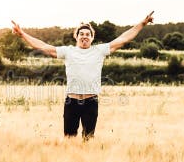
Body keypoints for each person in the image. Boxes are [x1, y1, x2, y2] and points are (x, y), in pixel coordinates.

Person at [11, 11, 154, 139]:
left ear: (92, 38)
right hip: (71, 102)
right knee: (69, 139)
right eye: (81, 34)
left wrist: (142, 23)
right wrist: (22, 33)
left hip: (90, 102)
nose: (84, 36)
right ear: (76, 36)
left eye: (88, 34)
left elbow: (123, 39)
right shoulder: (68, 51)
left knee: (89, 139)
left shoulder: (100, 50)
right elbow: (42, 46)